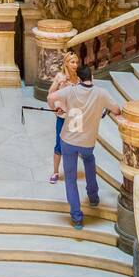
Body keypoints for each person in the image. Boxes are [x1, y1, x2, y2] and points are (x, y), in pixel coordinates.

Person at [48, 63, 122, 229]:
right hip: (87, 141)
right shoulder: (101, 93)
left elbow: (51, 97)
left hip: (68, 140)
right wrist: (107, 109)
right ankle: (93, 197)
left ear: (79, 78)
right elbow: (117, 109)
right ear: (92, 77)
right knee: (89, 160)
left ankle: (76, 218)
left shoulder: (71, 90)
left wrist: (58, 108)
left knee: (70, 179)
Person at [48, 51, 79, 184]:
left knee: (74, 146)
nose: (75, 65)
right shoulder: (59, 77)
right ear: (66, 63)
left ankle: (71, 173)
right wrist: (54, 109)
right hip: (62, 117)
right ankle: (55, 172)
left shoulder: (78, 78)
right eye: (72, 62)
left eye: (76, 62)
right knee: (59, 145)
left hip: (75, 117)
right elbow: (50, 94)